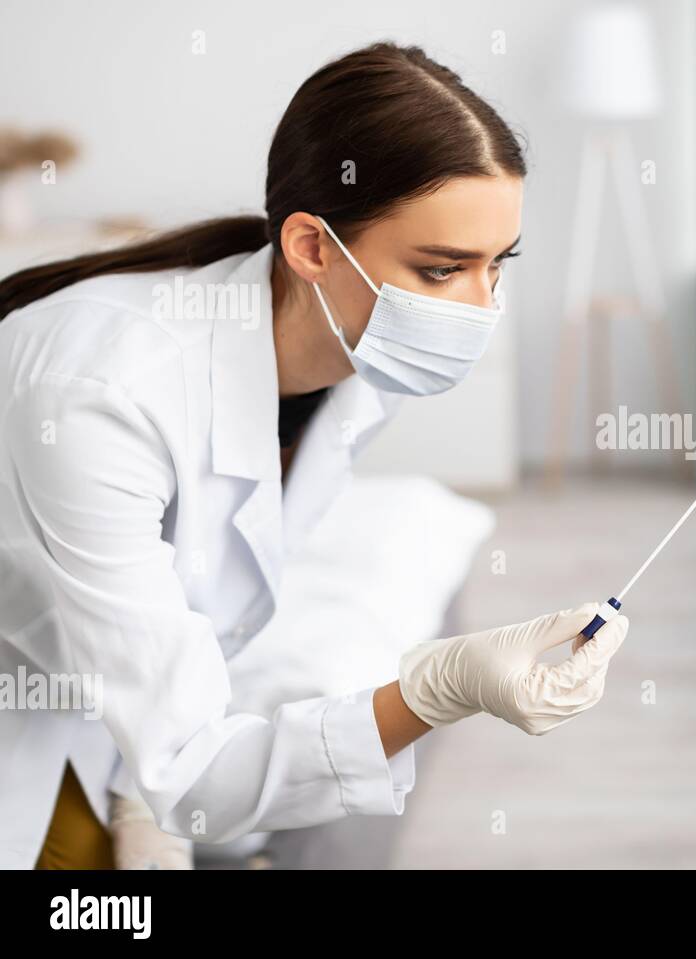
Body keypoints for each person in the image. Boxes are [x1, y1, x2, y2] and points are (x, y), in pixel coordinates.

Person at [0, 42, 629, 870]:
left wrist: (141, 788)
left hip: (108, 714)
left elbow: (195, 610)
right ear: (312, 246)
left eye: (495, 267)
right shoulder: (99, 395)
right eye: (442, 270)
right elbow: (194, 771)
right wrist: (435, 692)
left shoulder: (362, 353)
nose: (481, 309)